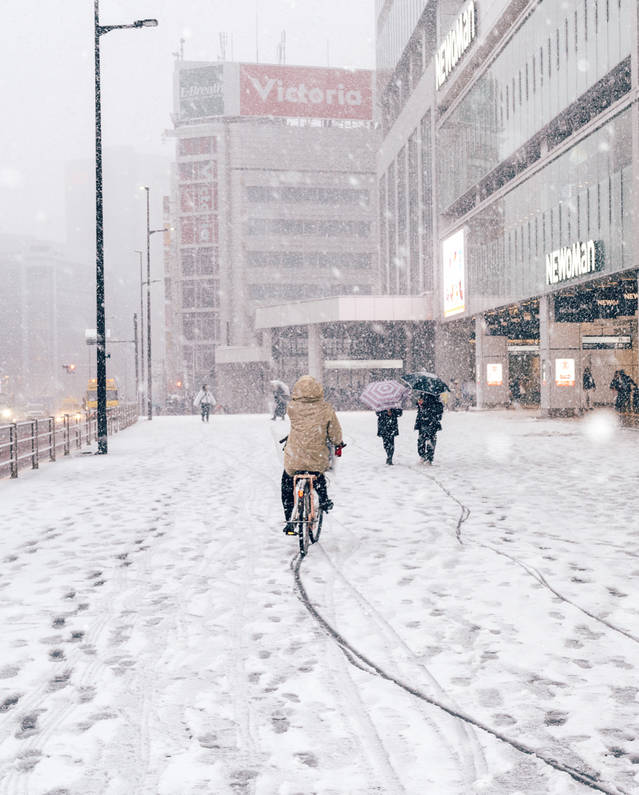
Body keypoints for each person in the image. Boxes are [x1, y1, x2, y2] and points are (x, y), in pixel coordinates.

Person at [281, 375, 344, 534]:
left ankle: (290, 519)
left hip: (295, 456)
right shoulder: (326, 409)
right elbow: (334, 433)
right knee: (318, 475)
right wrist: (338, 443)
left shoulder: (292, 407)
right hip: (316, 456)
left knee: (287, 483)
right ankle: (324, 501)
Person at [414, 392, 443, 464]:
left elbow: (438, 409)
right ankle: (423, 456)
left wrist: (424, 404)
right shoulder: (423, 394)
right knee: (421, 440)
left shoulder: (435, 397)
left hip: (431, 422)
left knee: (430, 440)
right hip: (423, 421)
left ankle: (429, 458)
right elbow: (420, 408)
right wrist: (419, 403)